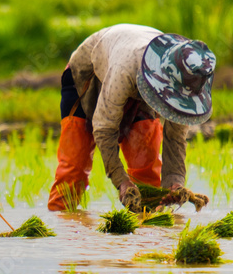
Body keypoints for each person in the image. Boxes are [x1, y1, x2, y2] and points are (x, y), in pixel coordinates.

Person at [47, 24, 216, 212]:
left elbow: (175, 136)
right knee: (74, 170)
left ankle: (146, 236)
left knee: (148, 178)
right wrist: (122, 182)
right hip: (92, 76)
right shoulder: (125, 68)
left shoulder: (188, 77)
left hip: (141, 84)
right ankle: (62, 226)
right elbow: (104, 129)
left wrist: (174, 181)